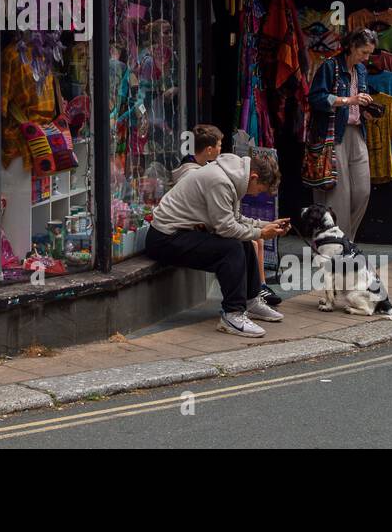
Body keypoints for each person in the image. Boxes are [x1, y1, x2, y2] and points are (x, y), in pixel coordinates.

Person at [146, 151, 290, 336]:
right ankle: (233, 315)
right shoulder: (221, 181)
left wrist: (266, 226)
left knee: (244, 242)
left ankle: (251, 300)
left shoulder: (234, 176)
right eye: (261, 190)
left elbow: (234, 219)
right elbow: (226, 228)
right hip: (165, 238)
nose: (257, 195)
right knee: (231, 248)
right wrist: (261, 232)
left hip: (184, 232)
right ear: (254, 177)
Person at [307, 28, 377, 241]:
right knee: (339, 195)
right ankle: (336, 244)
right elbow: (316, 98)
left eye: (369, 53)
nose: (366, 58)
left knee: (363, 190)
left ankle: (346, 240)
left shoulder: (361, 71)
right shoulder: (330, 66)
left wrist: (367, 109)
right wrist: (348, 101)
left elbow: (357, 101)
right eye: (363, 52)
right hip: (333, 133)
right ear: (352, 46)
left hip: (356, 131)